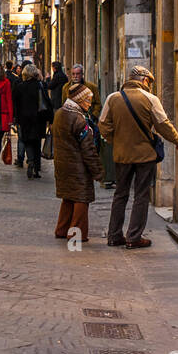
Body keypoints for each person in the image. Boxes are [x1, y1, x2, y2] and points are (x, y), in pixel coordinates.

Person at [99, 65, 178, 248]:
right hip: (144, 157)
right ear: (145, 80)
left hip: (121, 155)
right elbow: (163, 124)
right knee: (141, 195)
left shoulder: (112, 98)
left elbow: (103, 125)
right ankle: (133, 237)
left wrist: (117, 140)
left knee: (120, 194)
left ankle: (114, 236)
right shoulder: (150, 99)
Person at [52, 82, 104, 241]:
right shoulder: (79, 120)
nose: (89, 103)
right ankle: (76, 233)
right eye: (87, 100)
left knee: (68, 197)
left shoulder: (60, 113)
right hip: (78, 166)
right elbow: (88, 150)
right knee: (82, 198)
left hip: (62, 163)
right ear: (79, 100)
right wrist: (98, 171)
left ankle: (62, 229)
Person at [12, 63, 51, 178]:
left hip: (25, 119)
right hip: (39, 118)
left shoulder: (20, 87)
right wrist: (50, 118)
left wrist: (16, 118)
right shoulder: (41, 85)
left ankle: (30, 161)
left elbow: (16, 104)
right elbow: (47, 102)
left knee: (27, 141)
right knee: (37, 143)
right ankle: (36, 169)